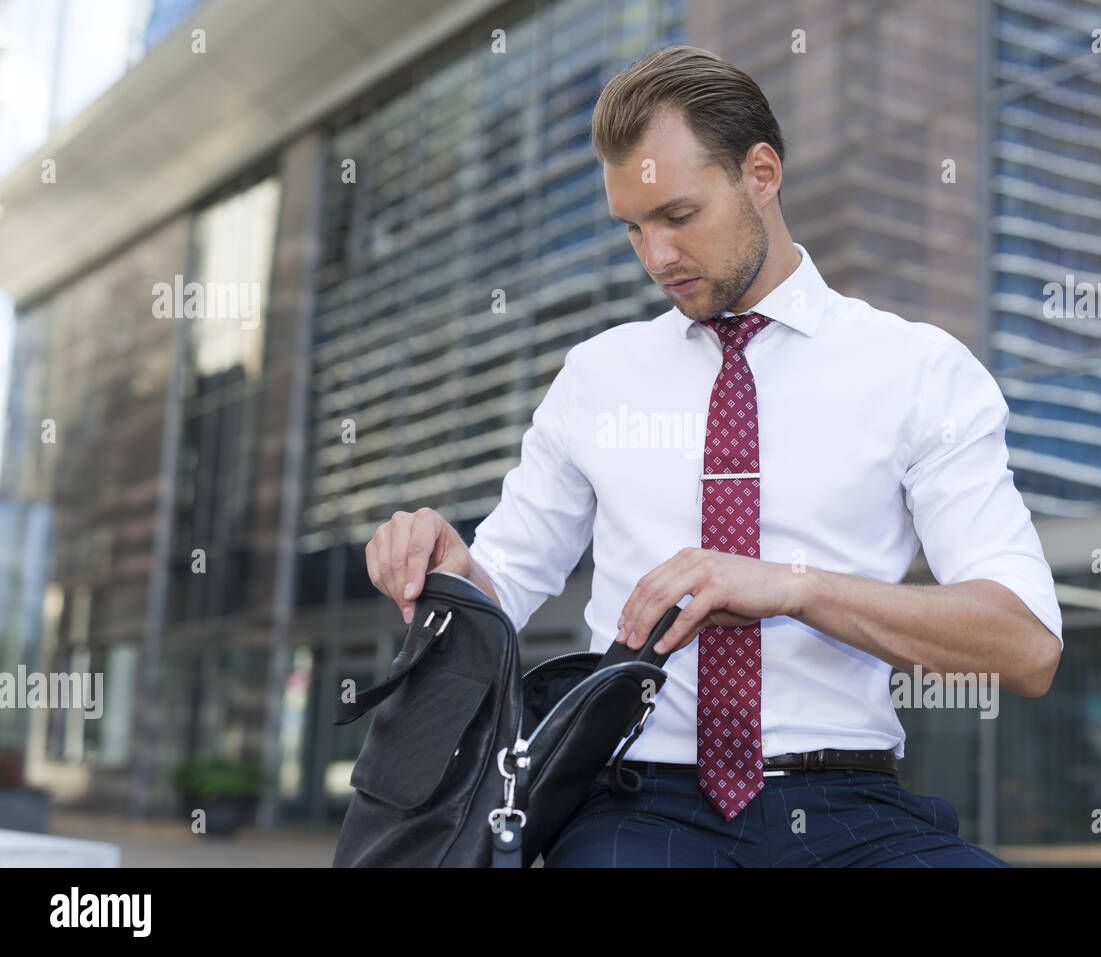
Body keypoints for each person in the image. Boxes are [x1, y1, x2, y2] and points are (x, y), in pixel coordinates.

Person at [363, 45, 1062, 867]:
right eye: (632, 227)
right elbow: (501, 592)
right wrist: (448, 577)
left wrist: (793, 589)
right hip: (637, 805)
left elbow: (1025, 645)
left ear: (760, 173)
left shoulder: (919, 371)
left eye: (678, 216)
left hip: (851, 806)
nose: (655, 257)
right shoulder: (598, 376)